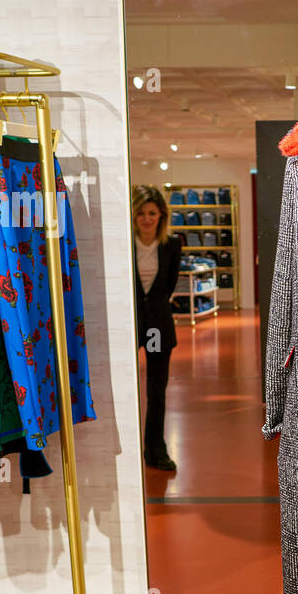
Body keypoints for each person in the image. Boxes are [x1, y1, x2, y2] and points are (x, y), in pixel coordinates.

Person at [133, 185, 182, 471]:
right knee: (125, 387)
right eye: (140, 213)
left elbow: (168, 285)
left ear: (161, 215)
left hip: (156, 329)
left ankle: (155, 449)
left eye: (152, 213)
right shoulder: (126, 244)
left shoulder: (171, 245)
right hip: (130, 326)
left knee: (156, 390)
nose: (146, 218)